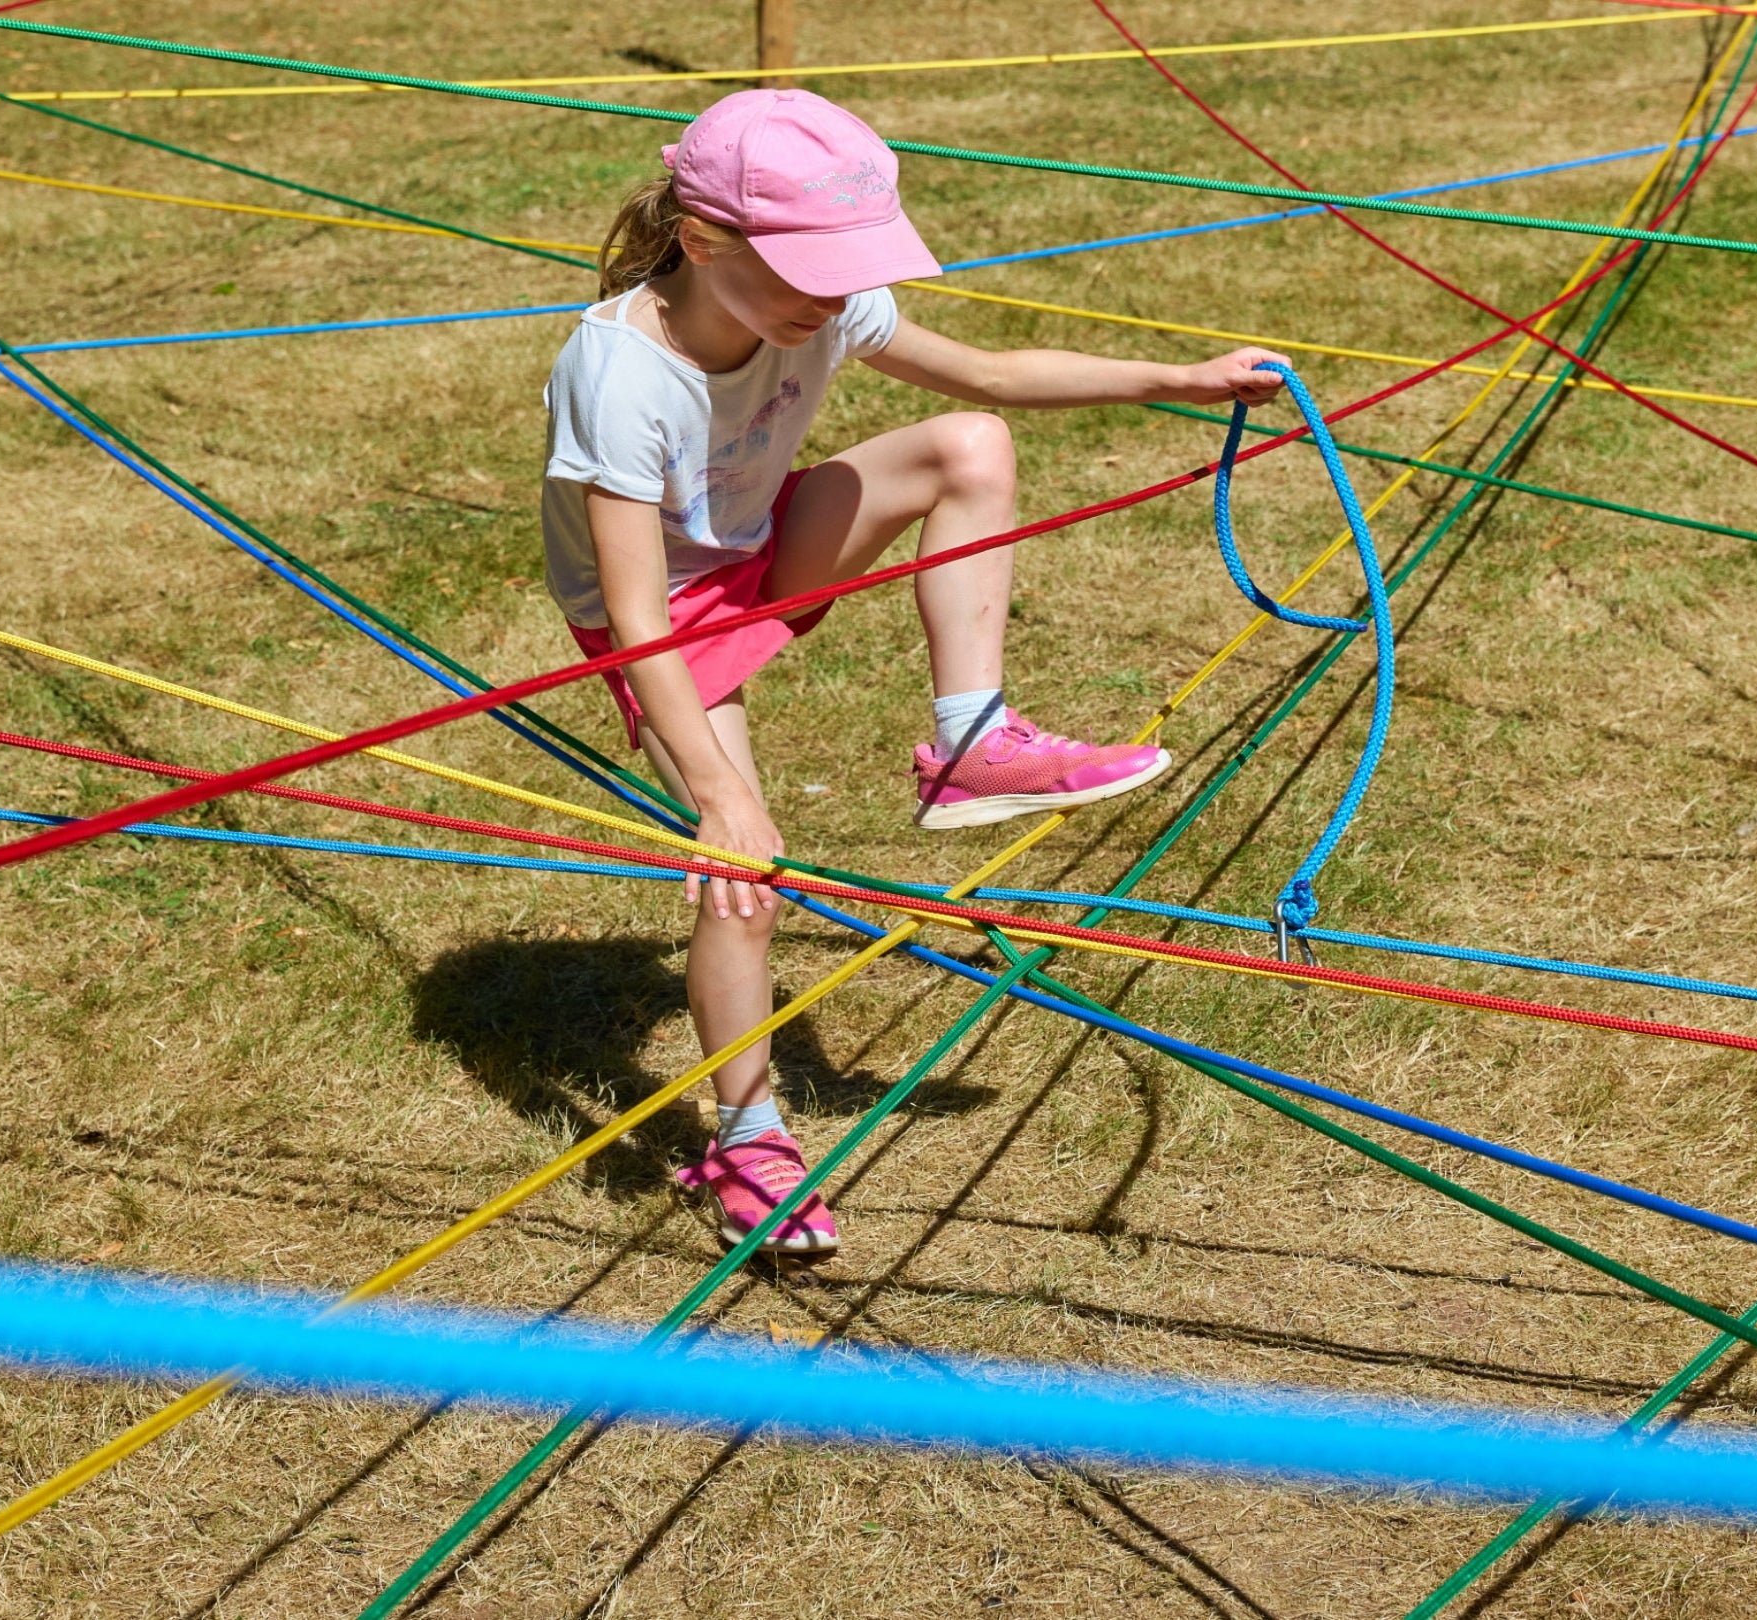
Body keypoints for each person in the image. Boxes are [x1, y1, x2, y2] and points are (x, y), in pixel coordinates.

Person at [539, 87, 1285, 1255]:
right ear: (701, 239)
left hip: (761, 541)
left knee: (969, 445)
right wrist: (722, 801)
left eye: (844, 273)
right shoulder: (621, 372)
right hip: (669, 615)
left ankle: (969, 739)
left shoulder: (814, 300)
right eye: (807, 273)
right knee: (748, 873)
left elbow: (987, 378)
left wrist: (1178, 378)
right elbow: (637, 618)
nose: (832, 298)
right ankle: (748, 1135)